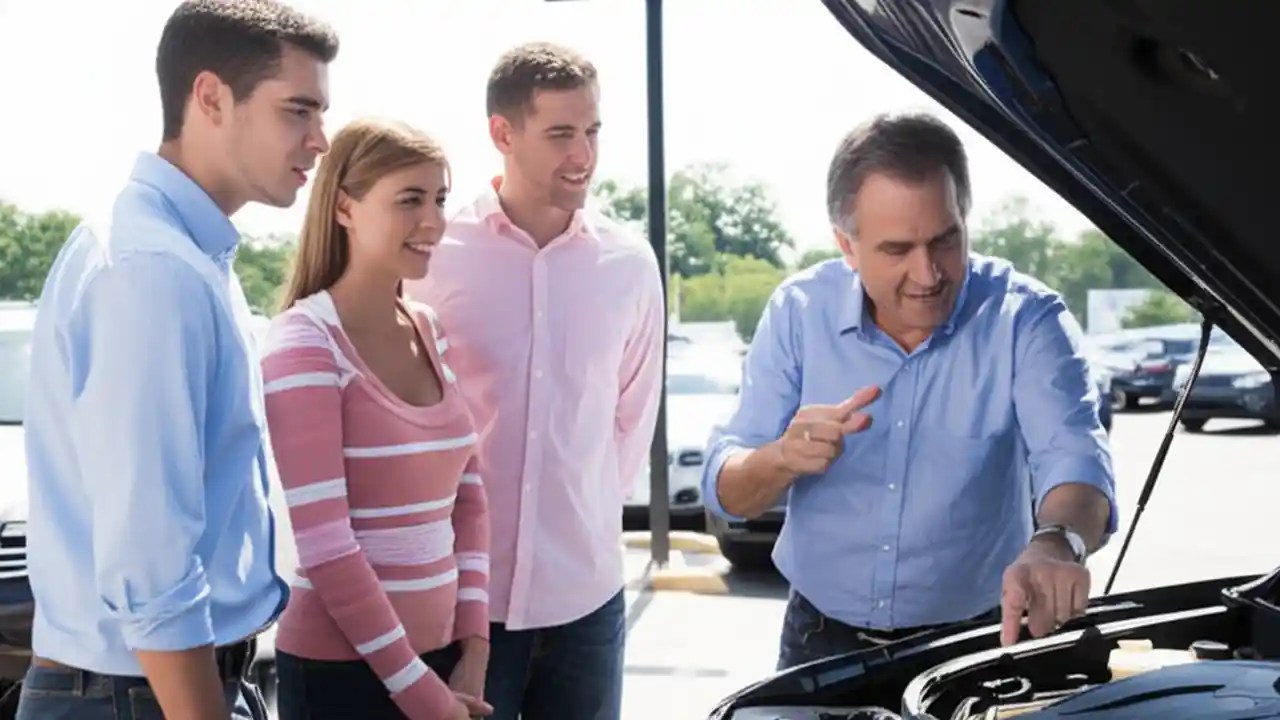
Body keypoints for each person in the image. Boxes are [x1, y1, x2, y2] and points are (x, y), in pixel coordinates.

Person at [702, 112, 1119, 671]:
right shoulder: (799, 312)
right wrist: (780, 458)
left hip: (976, 643)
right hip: (818, 641)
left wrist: (1055, 543)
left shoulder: (1025, 318)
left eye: (945, 241)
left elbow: (1075, 459)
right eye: (897, 250)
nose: (927, 274)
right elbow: (728, 492)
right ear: (846, 246)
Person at [17, 2, 338, 719]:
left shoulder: (184, 254)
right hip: (139, 696)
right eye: (298, 110)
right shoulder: (151, 269)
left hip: (157, 689)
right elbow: (149, 561)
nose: (320, 139)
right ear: (211, 98)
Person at [405, 41, 665, 720]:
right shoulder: (432, 254)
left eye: (592, 131)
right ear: (503, 134)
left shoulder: (630, 266)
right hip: (460, 605)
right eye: (560, 134)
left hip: (586, 604)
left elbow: (630, 424)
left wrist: (582, 526)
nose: (583, 154)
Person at [262, 118, 493, 720]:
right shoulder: (304, 344)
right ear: (344, 208)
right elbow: (326, 546)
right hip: (342, 680)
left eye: (439, 199)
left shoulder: (427, 327)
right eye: (409, 199)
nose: (433, 221)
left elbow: (468, 499)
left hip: (441, 668)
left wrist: (474, 648)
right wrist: (418, 692)